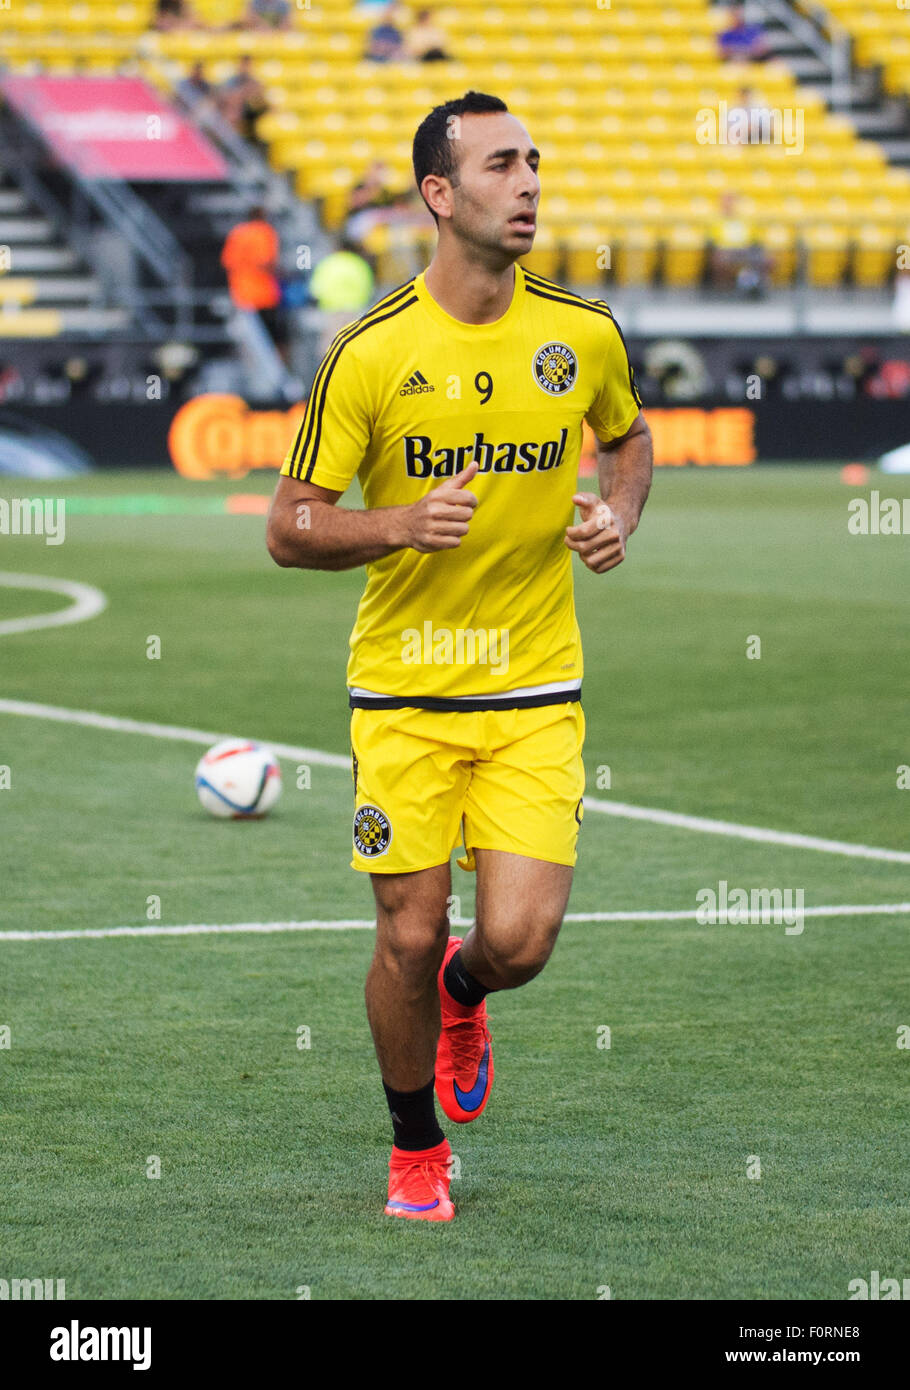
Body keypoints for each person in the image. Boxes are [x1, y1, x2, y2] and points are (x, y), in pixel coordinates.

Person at [266, 91, 652, 1222]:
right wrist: (397, 522)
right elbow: (289, 526)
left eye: (533, 161)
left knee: (518, 943)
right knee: (408, 928)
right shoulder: (370, 350)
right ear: (439, 194)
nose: (527, 183)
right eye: (499, 165)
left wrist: (618, 515)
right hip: (405, 691)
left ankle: (466, 991)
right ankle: (414, 1150)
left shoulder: (582, 332)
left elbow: (628, 437)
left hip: (534, 685)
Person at [220, 206, 284, 351]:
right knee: (272, 341)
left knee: (249, 343)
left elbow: (227, 262)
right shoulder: (263, 231)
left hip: (240, 294)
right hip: (263, 295)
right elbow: (265, 261)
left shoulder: (237, 232)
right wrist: (282, 273)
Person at [216, 55, 269, 147]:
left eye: (248, 65)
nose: (245, 68)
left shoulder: (254, 82)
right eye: (244, 65)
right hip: (235, 119)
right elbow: (226, 97)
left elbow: (262, 99)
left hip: (249, 120)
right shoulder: (231, 82)